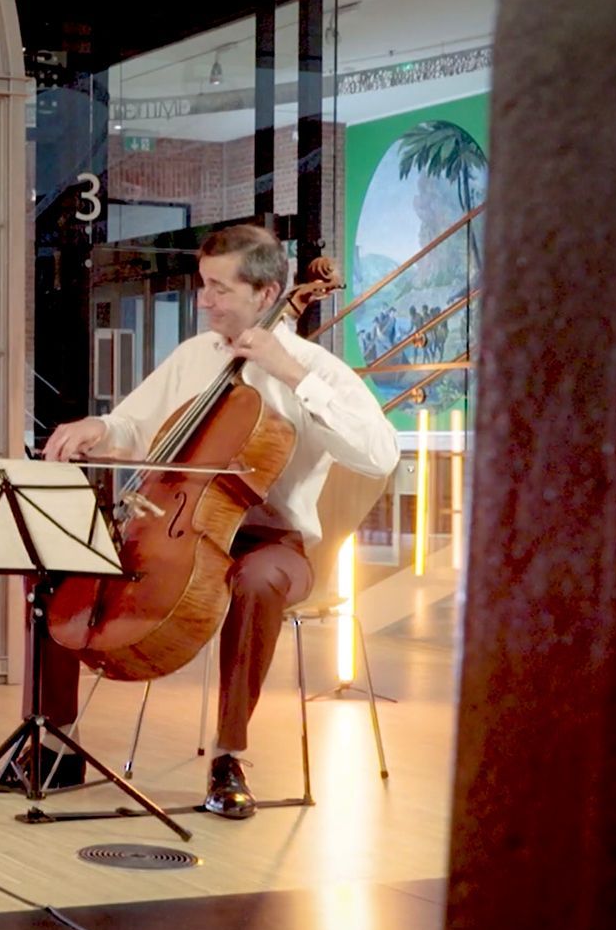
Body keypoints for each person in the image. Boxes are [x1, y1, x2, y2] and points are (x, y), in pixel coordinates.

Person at [35, 224, 399, 818]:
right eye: (203, 285)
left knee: (255, 582)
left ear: (267, 293)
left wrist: (291, 374)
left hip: (270, 539)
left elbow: (380, 453)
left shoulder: (315, 369)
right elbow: (135, 424)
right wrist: (99, 428)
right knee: (57, 563)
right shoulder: (194, 357)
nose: (203, 300)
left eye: (220, 289)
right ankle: (56, 741)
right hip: (176, 526)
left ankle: (229, 755)